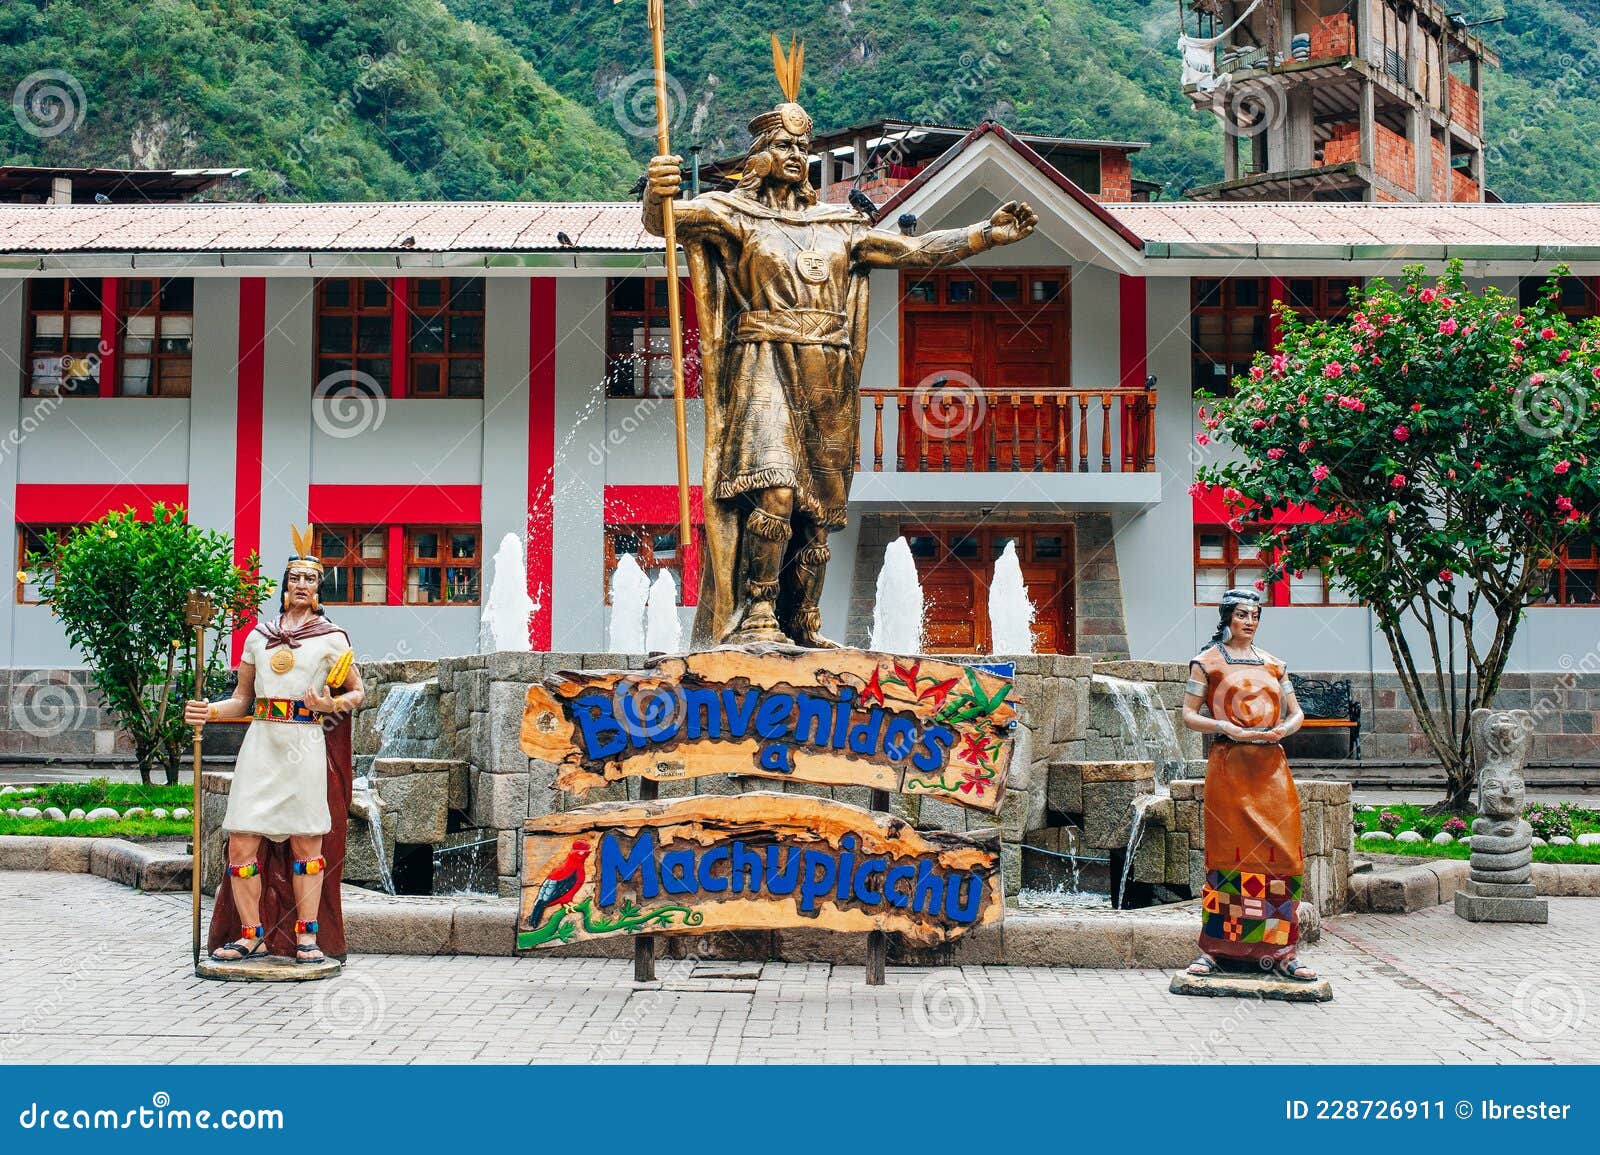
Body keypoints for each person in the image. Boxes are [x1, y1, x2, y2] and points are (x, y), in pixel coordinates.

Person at [643, 42, 1037, 648]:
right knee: (772, 488)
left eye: (804, 146)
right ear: (760, 155)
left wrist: (986, 234)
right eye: (784, 145)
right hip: (765, 360)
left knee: (816, 511)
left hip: (827, 371)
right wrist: (656, 190)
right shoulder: (735, 215)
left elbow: (914, 250)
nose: (796, 155)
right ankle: (756, 615)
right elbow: (667, 221)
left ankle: (803, 621)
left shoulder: (841, 225)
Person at [184, 526, 364, 964]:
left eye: (310, 579)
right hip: (262, 744)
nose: (301, 585)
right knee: (241, 843)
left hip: (304, 744)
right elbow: (243, 701)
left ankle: (306, 937)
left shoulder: (332, 637)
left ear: (320, 588)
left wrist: (331, 703)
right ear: (284, 586)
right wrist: (208, 711)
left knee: (307, 845)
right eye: (294, 578)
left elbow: (358, 694)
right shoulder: (258, 637)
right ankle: (251, 934)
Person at [1179, 587, 1318, 981]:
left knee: (1283, 855)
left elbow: (1297, 712)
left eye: (1255, 615)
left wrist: (1284, 730)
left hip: (1270, 767)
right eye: (1242, 614)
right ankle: (1215, 950)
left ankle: (1284, 950)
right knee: (1227, 856)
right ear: (1227, 617)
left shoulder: (1275, 664)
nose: (1250, 621)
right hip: (1229, 767)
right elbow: (1189, 715)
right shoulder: (1205, 664)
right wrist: (1223, 726)